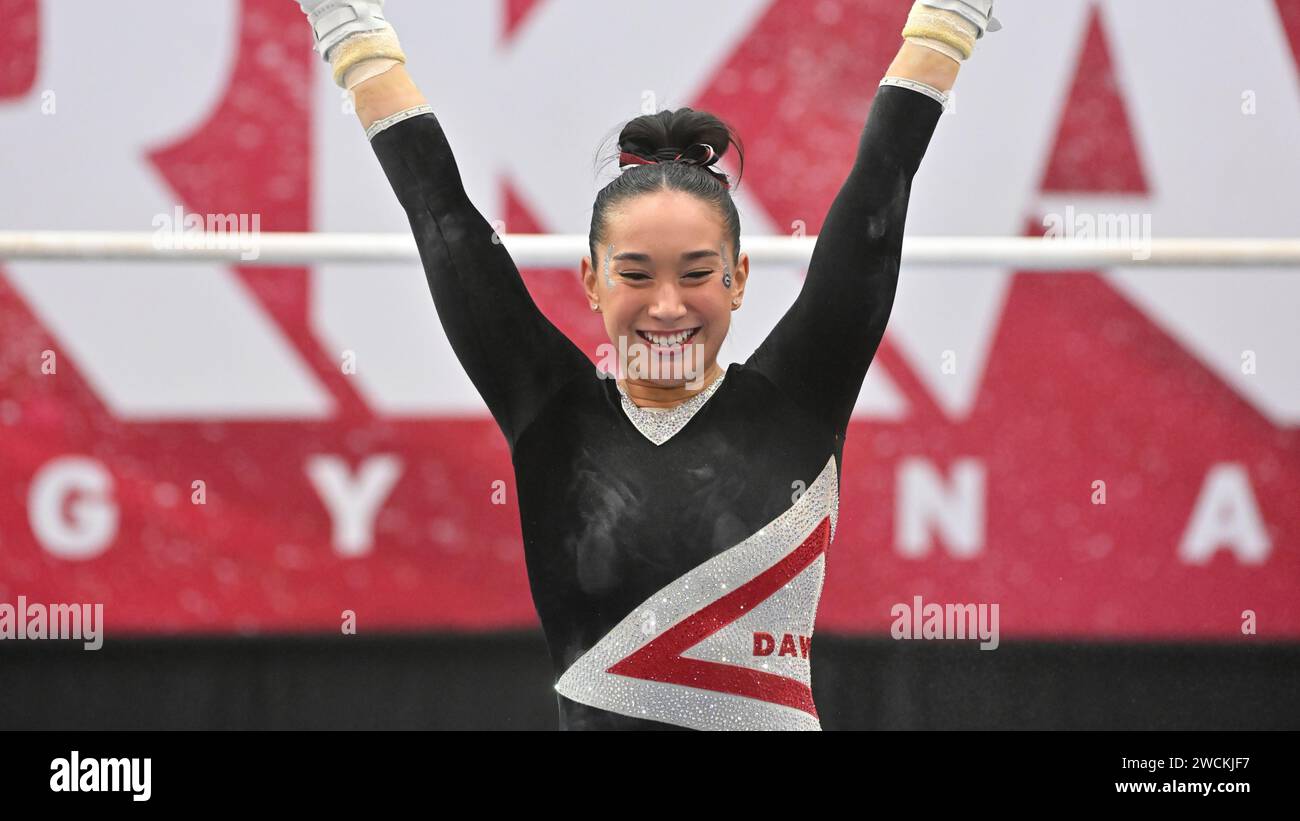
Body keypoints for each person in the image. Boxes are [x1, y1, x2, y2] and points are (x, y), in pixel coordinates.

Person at [293, 0, 999, 730]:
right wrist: (349, 28)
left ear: (740, 277)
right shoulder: (553, 415)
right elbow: (439, 214)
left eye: (697, 273)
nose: (667, 305)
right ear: (593, 280)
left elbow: (882, 189)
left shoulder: (800, 400)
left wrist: (950, 18)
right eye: (636, 274)